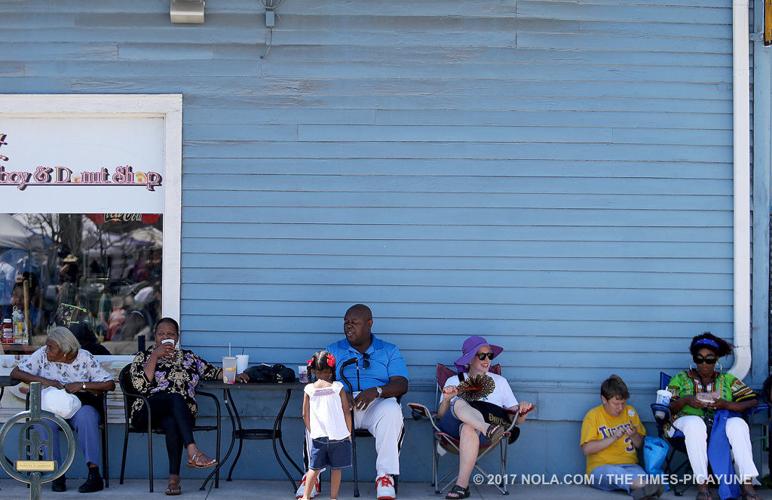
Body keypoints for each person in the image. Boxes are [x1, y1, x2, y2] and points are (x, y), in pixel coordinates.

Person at [297, 304, 409, 500]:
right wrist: (338, 393)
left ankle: (385, 477)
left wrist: (376, 391)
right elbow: (320, 380)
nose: (349, 327)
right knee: (317, 413)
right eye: (346, 323)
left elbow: (401, 383)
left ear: (369, 324)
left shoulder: (389, 350)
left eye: (354, 323)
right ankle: (313, 477)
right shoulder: (333, 350)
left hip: (375, 405)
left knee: (392, 409)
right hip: (339, 408)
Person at [129, 317, 249, 496]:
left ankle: (174, 480)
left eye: (170, 334)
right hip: (147, 411)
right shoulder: (143, 357)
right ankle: (192, 449)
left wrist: (234, 374)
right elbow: (141, 385)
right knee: (175, 397)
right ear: (155, 336)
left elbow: (212, 372)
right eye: (161, 334)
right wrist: (155, 355)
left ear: (177, 337)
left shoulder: (189, 357)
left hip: (180, 416)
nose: (165, 337)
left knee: (172, 422)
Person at [11, 326, 115, 493]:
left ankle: (94, 474)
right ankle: (57, 475)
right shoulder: (42, 355)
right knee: (42, 421)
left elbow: (109, 384)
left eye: (51, 347)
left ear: (65, 350)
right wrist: (47, 381)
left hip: (80, 406)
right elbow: (16, 373)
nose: (46, 350)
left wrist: (81, 385)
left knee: (87, 417)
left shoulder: (84, 358)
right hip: (51, 408)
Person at [437, 335, 533, 499]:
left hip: (482, 437)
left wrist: (522, 410)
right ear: (469, 359)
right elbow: (440, 415)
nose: (487, 359)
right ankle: (487, 428)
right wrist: (447, 399)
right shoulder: (454, 380)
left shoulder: (500, 382)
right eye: (481, 355)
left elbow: (517, 421)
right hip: (452, 430)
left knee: (469, 427)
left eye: (489, 355)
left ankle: (461, 486)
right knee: (459, 403)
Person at [667, 332, 760, 500]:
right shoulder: (680, 378)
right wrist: (687, 400)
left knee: (738, 425)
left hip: (719, 425)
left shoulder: (728, 380)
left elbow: (752, 401)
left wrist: (726, 404)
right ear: (694, 359)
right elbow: (669, 406)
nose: (704, 364)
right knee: (695, 424)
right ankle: (703, 488)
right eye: (699, 359)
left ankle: (748, 485)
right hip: (684, 425)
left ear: (716, 360)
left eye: (709, 359)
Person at [580, 375, 663, 500]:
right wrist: (613, 437)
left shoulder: (630, 412)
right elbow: (586, 449)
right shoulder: (593, 416)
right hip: (600, 468)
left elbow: (641, 445)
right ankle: (644, 488)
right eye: (616, 403)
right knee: (615, 473)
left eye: (623, 403)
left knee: (640, 476)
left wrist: (634, 435)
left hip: (631, 466)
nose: (620, 408)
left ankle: (642, 492)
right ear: (604, 399)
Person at [299, 350, 353, 500]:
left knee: (314, 468)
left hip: (318, 437)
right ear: (331, 371)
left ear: (314, 370)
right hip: (339, 436)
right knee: (336, 469)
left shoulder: (309, 389)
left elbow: (304, 414)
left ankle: (305, 496)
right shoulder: (338, 387)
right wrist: (349, 432)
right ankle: (333, 497)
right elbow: (346, 412)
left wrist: (311, 430)